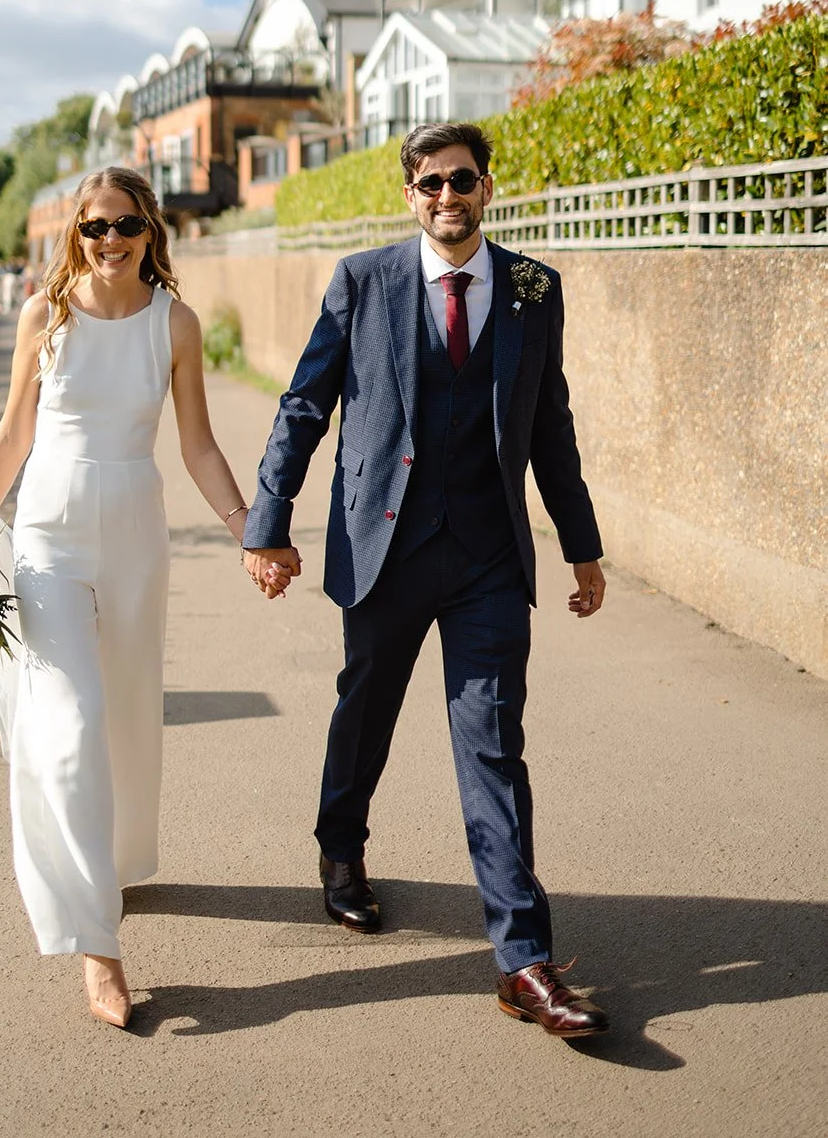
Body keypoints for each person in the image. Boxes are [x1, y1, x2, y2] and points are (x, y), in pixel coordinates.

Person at [242, 121, 610, 1038]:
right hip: (385, 547)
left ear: (487, 189)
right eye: (430, 184)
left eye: (463, 181)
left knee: (491, 746)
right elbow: (304, 404)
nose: (447, 197)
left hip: (487, 557)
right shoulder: (364, 281)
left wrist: (580, 542)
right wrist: (268, 522)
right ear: (410, 194)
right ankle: (340, 851)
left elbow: (550, 423)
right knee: (364, 708)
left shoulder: (532, 288)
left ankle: (523, 964)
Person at [0, 166, 250, 1030]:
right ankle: (98, 947)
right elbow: (15, 431)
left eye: (125, 224)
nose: (108, 241)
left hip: (135, 532)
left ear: (149, 230)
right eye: (93, 227)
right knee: (68, 728)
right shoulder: (43, 315)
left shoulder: (175, 323)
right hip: (51, 538)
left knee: (126, 715)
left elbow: (198, 445)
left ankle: (116, 864)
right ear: (76, 235)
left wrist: (250, 526)